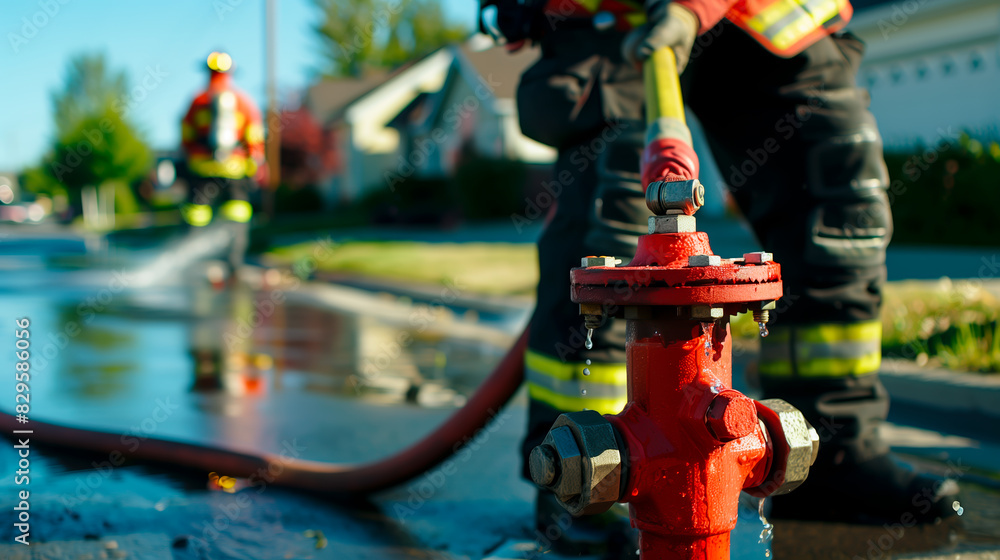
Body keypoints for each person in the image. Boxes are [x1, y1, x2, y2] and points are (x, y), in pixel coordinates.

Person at [483, 0, 960, 554]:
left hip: (763, 15)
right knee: (608, 230)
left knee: (837, 206)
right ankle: (582, 478)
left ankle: (829, 450)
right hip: (614, 18)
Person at [179, 51, 265, 275]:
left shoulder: (198, 101)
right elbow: (254, 138)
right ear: (231, 72)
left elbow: (186, 137)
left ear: (208, 72)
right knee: (237, 214)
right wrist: (254, 167)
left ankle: (191, 265)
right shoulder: (244, 103)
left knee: (197, 215)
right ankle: (234, 265)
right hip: (234, 171)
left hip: (202, 170)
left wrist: (191, 160)